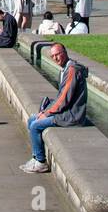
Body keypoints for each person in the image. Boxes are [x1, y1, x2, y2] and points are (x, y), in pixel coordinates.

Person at [20, 43, 88, 174]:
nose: (55, 58)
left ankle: (41, 162)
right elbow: (61, 98)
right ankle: (35, 156)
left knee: (35, 126)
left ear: (65, 52)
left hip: (71, 116)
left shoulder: (72, 70)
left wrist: (47, 113)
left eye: (58, 54)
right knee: (32, 120)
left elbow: (64, 98)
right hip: (65, 112)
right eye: (53, 56)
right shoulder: (66, 68)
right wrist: (45, 111)